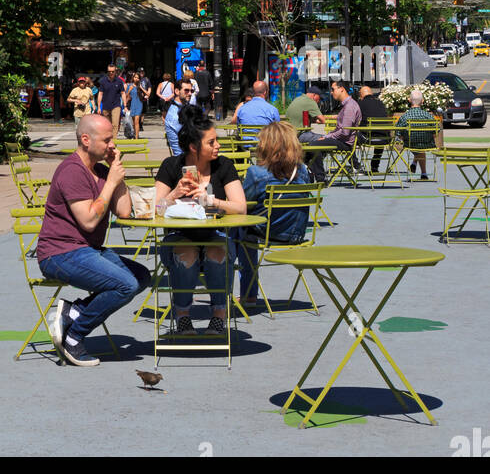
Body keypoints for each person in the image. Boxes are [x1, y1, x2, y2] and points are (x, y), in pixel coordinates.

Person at [37, 113, 150, 367]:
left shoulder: (100, 170)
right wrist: (110, 183)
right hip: (60, 253)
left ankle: (73, 312)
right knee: (126, 285)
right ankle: (74, 336)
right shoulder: (71, 171)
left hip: (88, 250)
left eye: (114, 139)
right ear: (86, 139)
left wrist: (114, 174)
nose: (113, 144)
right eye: (107, 139)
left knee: (141, 276)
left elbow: (123, 211)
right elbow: (88, 220)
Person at [153, 107, 247, 336]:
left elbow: (241, 207)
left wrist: (212, 201)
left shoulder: (223, 166)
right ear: (194, 147)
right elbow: (153, 209)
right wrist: (174, 193)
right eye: (212, 142)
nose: (218, 146)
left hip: (216, 235)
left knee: (218, 252)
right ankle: (183, 315)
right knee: (187, 254)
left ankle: (218, 315)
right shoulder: (171, 166)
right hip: (179, 237)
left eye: (217, 141)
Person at [235, 121, 312, 306]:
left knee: (239, 230)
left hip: (266, 231)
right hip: (296, 233)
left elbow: (243, 204)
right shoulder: (302, 171)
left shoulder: (256, 172)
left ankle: (246, 293)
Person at [301, 79, 362, 183]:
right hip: (342, 140)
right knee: (311, 147)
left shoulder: (350, 107)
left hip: (345, 143)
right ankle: (308, 174)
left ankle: (320, 178)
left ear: (341, 89)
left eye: (333, 89)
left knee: (313, 145)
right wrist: (327, 136)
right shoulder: (346, 105)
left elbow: (345, 132)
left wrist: (326, 137)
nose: (331, 92)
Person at [397, 89, 438, 179]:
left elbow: (399, 134)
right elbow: (436, 132)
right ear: (422, 101)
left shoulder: (404, 117)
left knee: (417, 143)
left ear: (409, 100)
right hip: (427, 144)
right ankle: (423, 173)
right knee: (421, 143)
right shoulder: (429, 116)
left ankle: (416, 164)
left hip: (410, 144)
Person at [357, 84, 389, 175]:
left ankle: (355, 164)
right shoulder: (381, 104)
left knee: (350, 135)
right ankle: (375, 165)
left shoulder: (360, 104)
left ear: (361, 95)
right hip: (384, 139)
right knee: (380, 131)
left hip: (366, 137)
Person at [164, 77, 195, 156]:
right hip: (184, 159)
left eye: (191, 91)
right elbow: (191, 136)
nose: (190, 93)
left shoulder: (185, 108)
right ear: (177, 91)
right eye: (186, 90)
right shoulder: (174, 114)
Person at [97, 63, 125, 138]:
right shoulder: (103, 81)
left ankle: (114, 143)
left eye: (113, 71)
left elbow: (123, 93)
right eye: (109, 71)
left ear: (115, 71)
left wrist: (125, 105)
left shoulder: (119, 81)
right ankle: (108, 141)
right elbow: (100, 94)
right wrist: (99, 107)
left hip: (116, 105)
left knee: (115, 124)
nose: (111, 73)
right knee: (107, 126)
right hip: (106, 106)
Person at [122, 72, 145, 140]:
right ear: (133, 78)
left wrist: (141, 88)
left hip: (139, 104)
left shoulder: (140, 85)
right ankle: (134, 134)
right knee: (134, 122)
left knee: (137, 121)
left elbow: (147, 94)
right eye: (135, 77)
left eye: (138, 78)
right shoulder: (129, 85)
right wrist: (129, 90)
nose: (136, 79)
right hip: (132, 104)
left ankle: (137, 137)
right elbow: (125, 96)